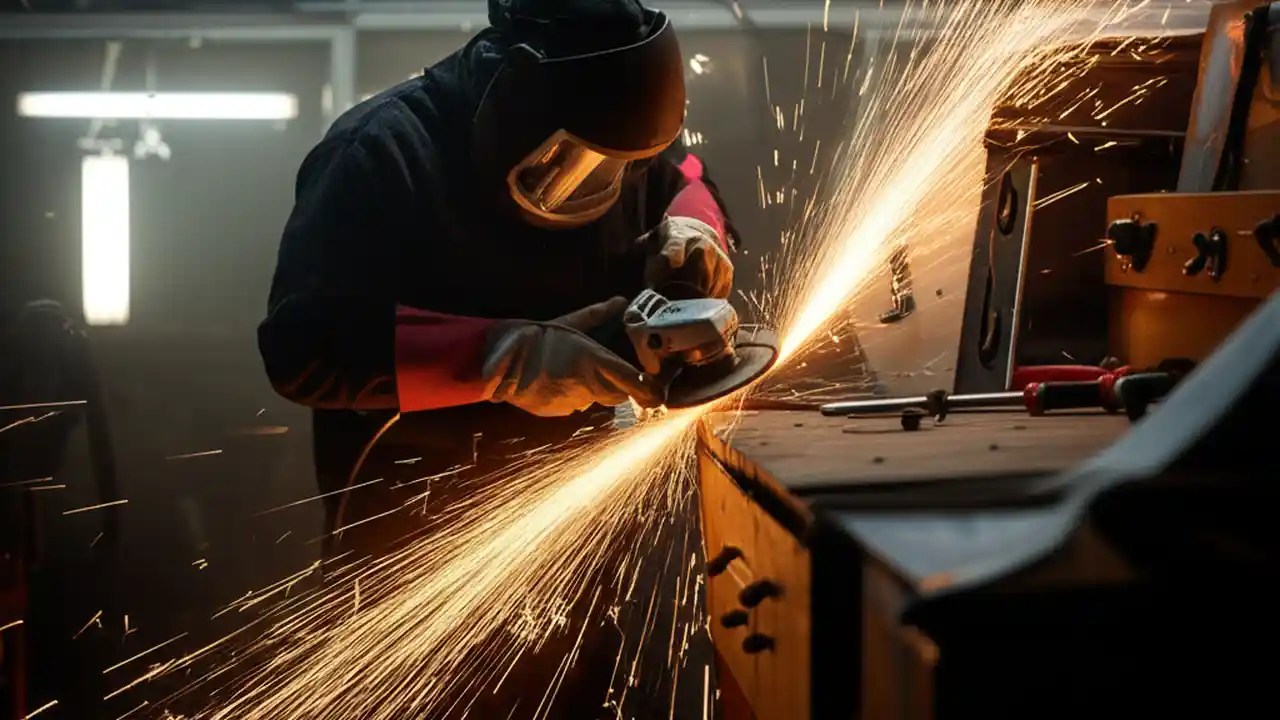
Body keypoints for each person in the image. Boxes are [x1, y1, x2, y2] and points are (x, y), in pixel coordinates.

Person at [258, 1, 735, 717]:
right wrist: (505, 359)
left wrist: (698, 227)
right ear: (513, 96)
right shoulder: (380, 152)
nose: (606, 182)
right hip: (414, 590)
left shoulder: (609, 122)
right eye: (579, 162)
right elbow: (305, 345)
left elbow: (686, 172)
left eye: (622, 164)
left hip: (575, 576)